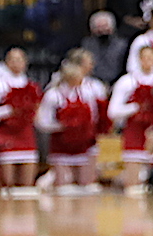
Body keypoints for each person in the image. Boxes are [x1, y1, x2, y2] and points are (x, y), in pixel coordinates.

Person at [110, 42, 153, 196]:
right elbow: (113, 111)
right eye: (144, 58)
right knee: (132, 185)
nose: (148, 61)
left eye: (151, 57)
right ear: (139, 59)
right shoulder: (126, 81)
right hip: (134, 131)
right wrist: (136, 107)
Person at [38, 55, 108, 195]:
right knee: (64, 186)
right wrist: (64, 126)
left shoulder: (87, 93)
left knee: (87, 185)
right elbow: (42, 122)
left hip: (84, 144)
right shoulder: (53, 95)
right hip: (61, 144)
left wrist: (83, 127)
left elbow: (94, 116)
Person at [0, 46, 41, 196]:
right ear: (6, 63)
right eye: (12, 60)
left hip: (26, 135)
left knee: (27, 186)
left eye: (20, 59)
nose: (16, 63)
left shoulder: (32, 85)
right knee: (7, 184)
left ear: (25, 62)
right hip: (5, 136)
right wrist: (8, 111)